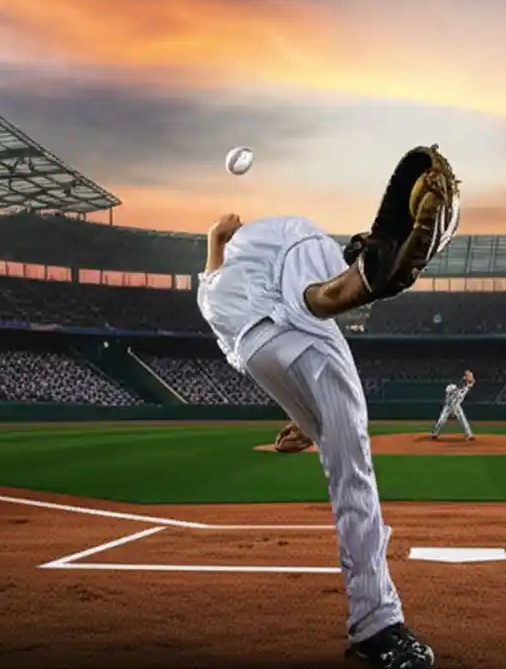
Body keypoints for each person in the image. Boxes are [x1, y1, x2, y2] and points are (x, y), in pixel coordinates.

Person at [195, 145, 459, 668]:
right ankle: (376, 623)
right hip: (287, 322)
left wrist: (216, 238)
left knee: (336, 437)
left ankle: (363, 274)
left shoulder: (223, 283)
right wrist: (366, 279)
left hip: (247, 339)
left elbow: (254, 331)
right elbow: (317, 301)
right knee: (353, 470)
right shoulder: (299, 236)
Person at [430, 370, 475, 440]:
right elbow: (449, 395)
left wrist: (469, 376)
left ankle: (469, 435)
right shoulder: (452, 387)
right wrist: (467, 377)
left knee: (463, 419)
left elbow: (471, 383)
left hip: (457, 406)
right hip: (448, 406)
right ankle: (434, 433)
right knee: (441, 420)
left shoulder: (466, 388)